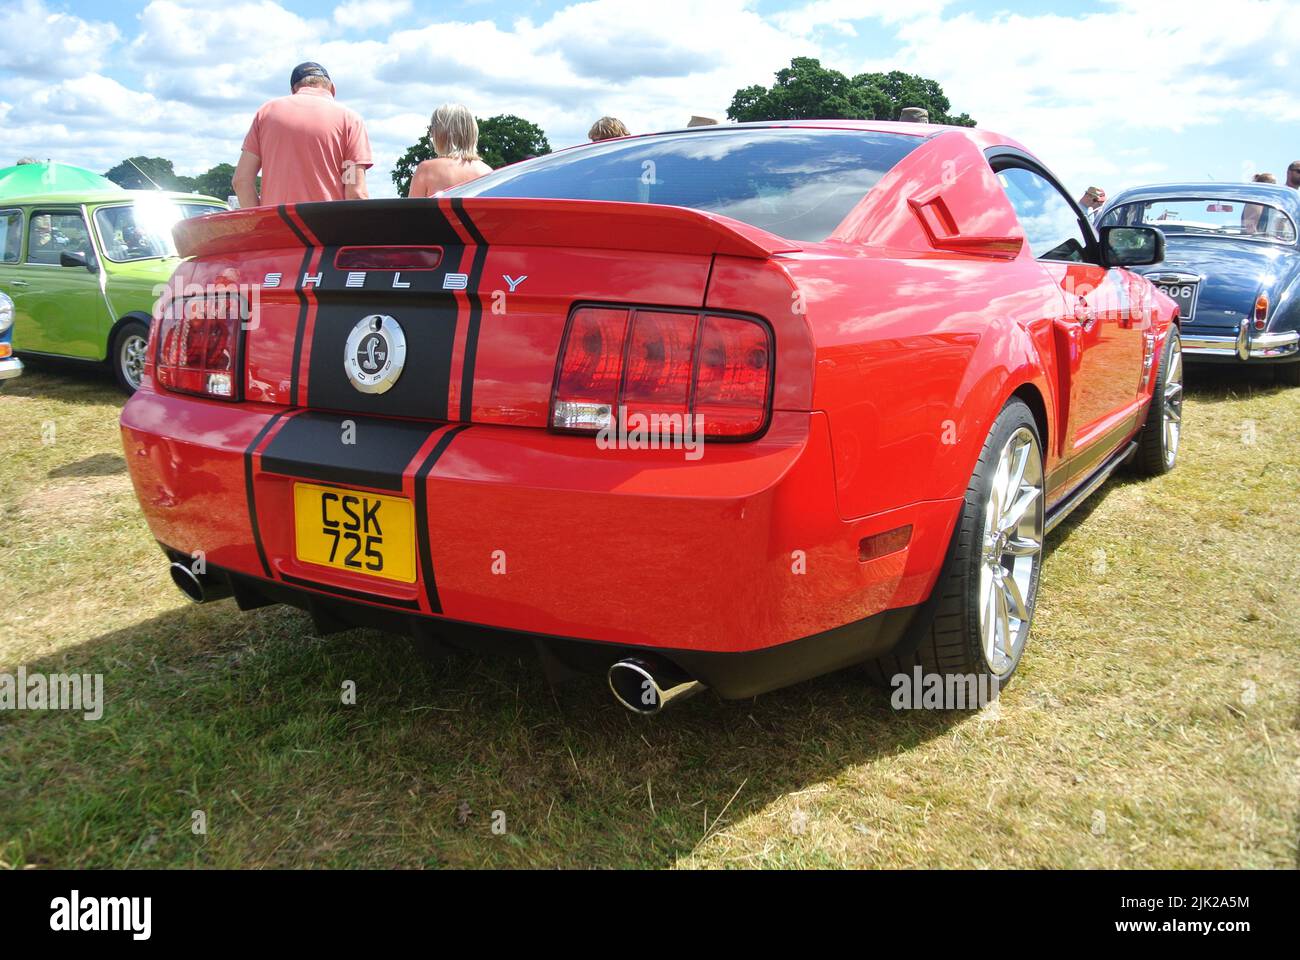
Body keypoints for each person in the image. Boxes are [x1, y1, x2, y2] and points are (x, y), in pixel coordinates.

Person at [231, 62, 373, 208]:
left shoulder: (267, 113)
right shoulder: (350, 119)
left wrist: (261, 223)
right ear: (332, 89)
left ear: (293, 90)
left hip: (277, 226)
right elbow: (355, 191)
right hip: (327, 227)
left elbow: (241, 181)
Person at [408, 104, 493, 197]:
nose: (431, 133)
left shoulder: (426, 169)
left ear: (440, 133)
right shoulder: (487, 172)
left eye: (432, 128)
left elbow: (410, 211)